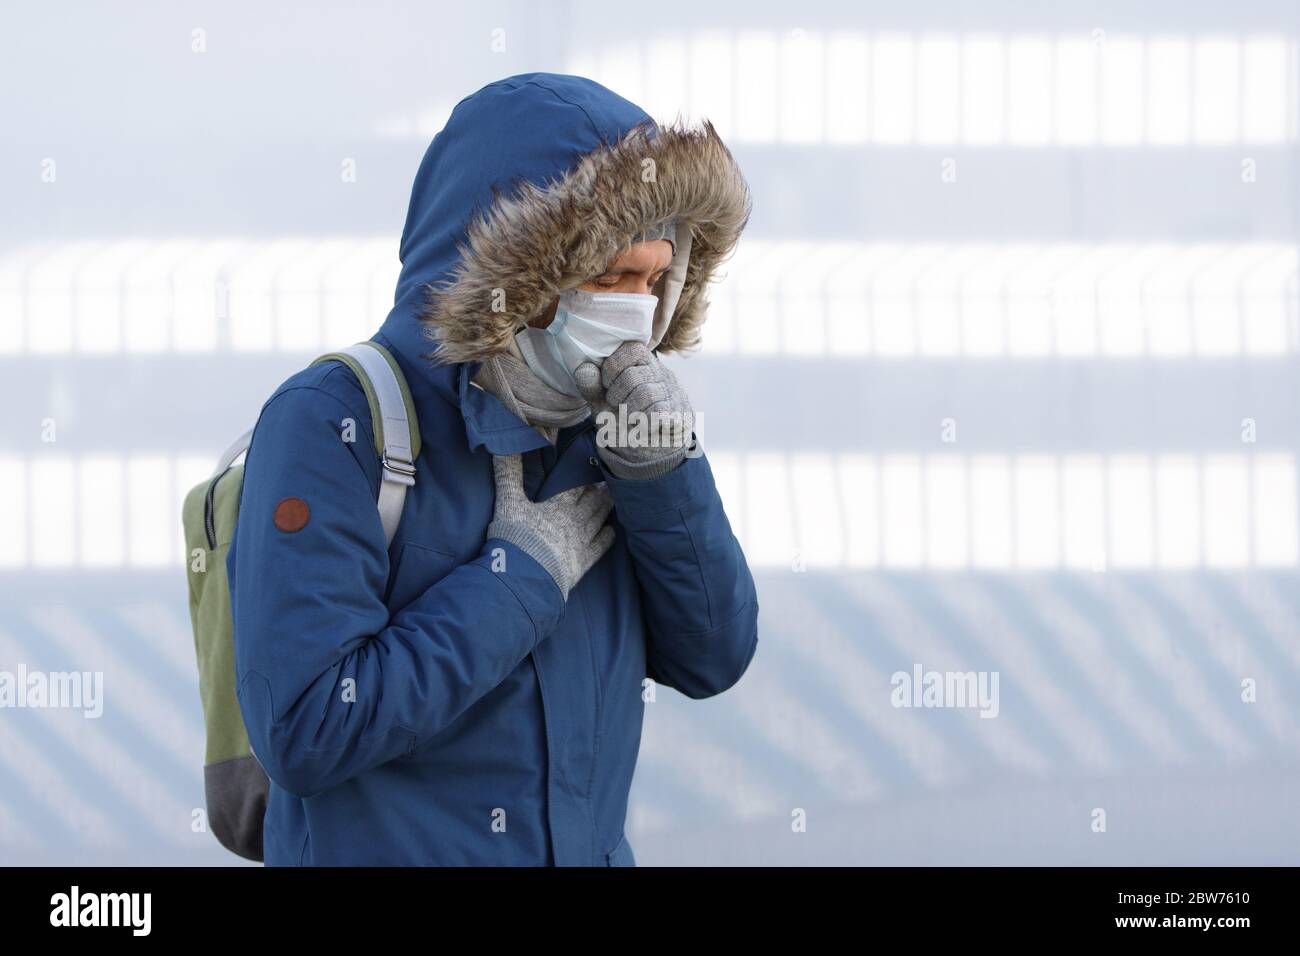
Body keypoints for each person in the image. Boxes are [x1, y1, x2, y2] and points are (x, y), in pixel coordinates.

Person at [227, 72, 758, 866]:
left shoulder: (605, 425)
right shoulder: (332, 423)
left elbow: (713, 655)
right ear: (522, 272)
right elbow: (306, 728)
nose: (636, 312)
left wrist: (664, 473)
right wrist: (519, 581)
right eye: (610, 276)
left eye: (653, 280)